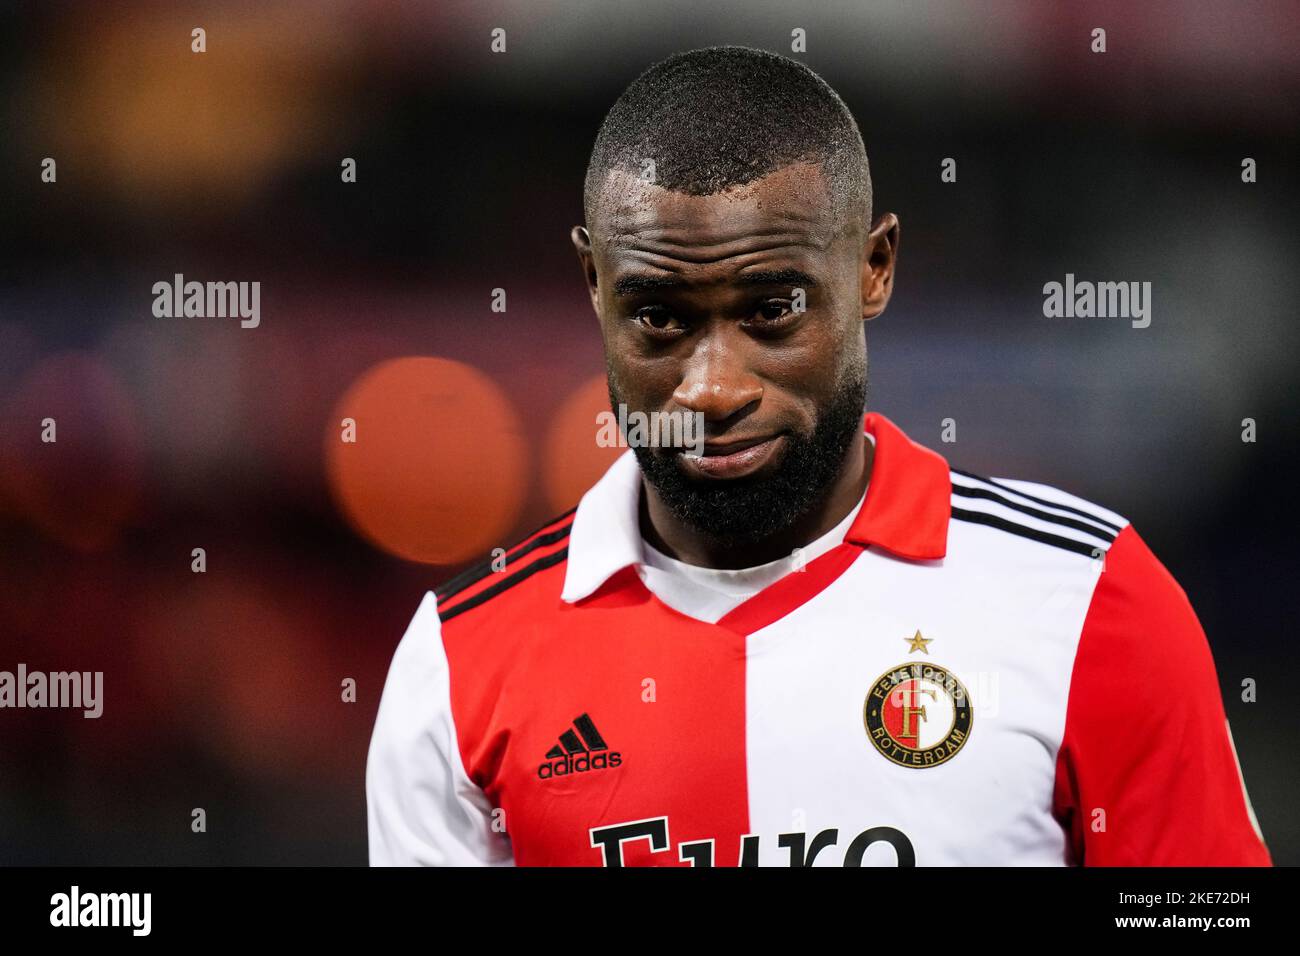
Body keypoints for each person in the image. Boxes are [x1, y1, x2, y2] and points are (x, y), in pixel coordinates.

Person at [367, 46, 1270, 867]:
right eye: (658, 318)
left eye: (771, 311)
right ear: (593, 283)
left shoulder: (1089, 603)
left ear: (874, 268)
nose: (713, 390)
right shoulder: (457, 669)